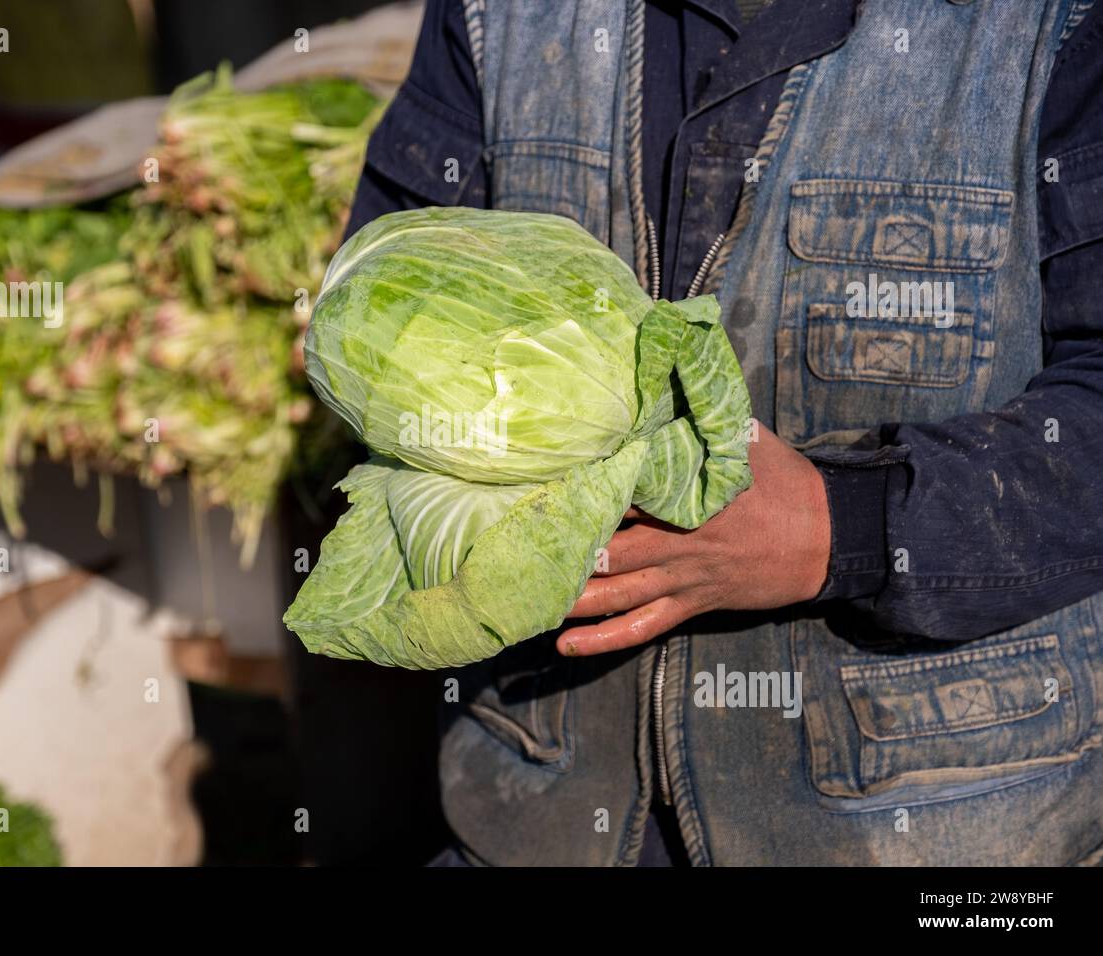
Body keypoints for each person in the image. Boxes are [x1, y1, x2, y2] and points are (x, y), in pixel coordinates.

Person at [344, 0, 1103, 866]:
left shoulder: (1055, 22)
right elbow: (382, 302)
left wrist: (839, 528)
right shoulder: (500, 16)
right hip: (539, 803)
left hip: (935, 830)